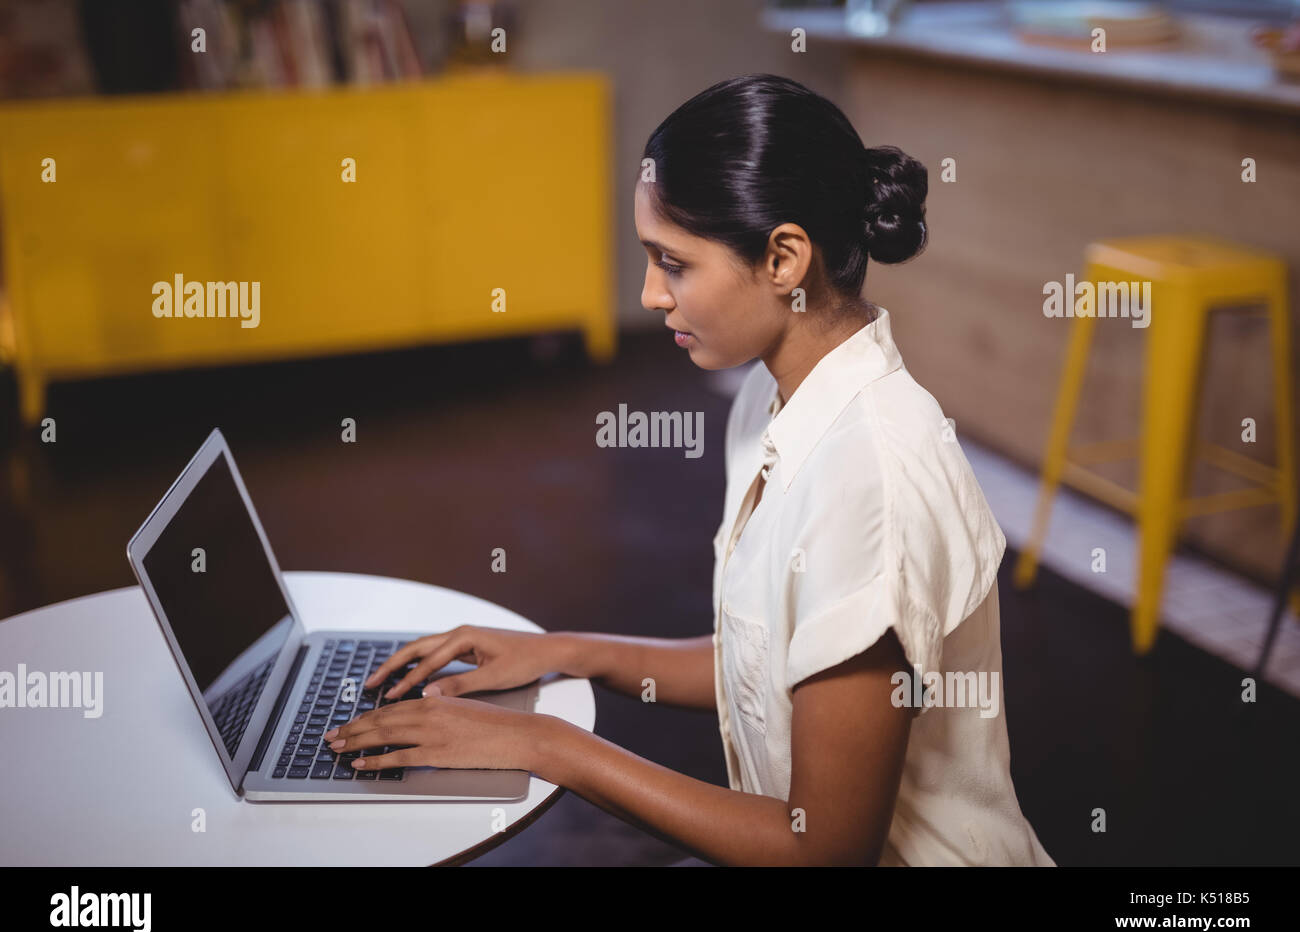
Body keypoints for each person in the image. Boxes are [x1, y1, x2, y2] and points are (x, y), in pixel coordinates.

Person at [325, 73, 1054, 866]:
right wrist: (571, 651)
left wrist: (545, 744)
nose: (651, 295)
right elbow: (769, 662)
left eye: (673, 263)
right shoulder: (770, 398)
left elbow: (824, 851)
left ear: (784, 259)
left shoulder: (868, 479)